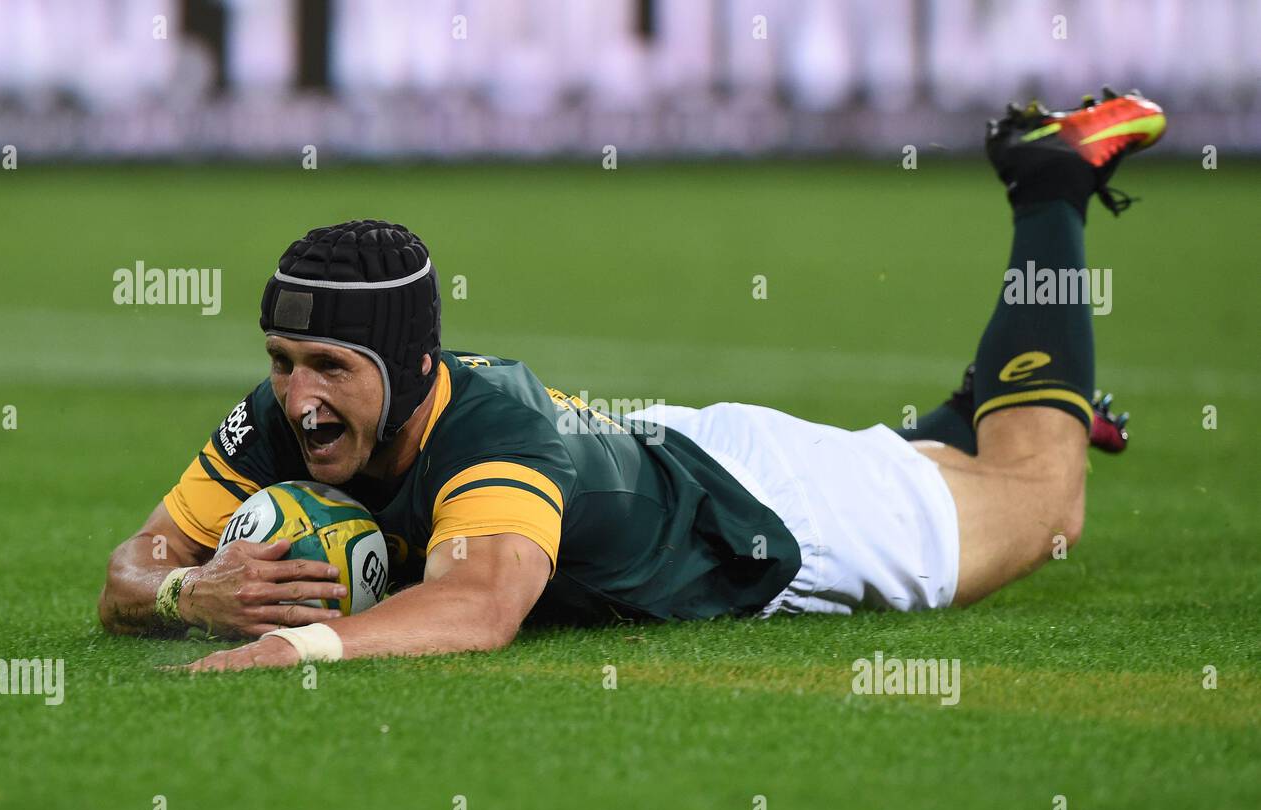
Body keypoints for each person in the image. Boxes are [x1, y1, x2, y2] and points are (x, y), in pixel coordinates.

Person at [97, 88, 1165, 673]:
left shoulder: (488, 427)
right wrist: (189, 589)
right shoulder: (279, 421)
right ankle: (983, 403)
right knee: (950, 457)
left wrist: (299, 643)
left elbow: (477, 608)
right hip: (647, 447)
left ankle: (1049, 184)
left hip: (757, 516)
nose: (298, 398)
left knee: (1035, 498)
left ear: (414, 369)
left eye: (331, 366)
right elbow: (129, 572)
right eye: (282, 364)